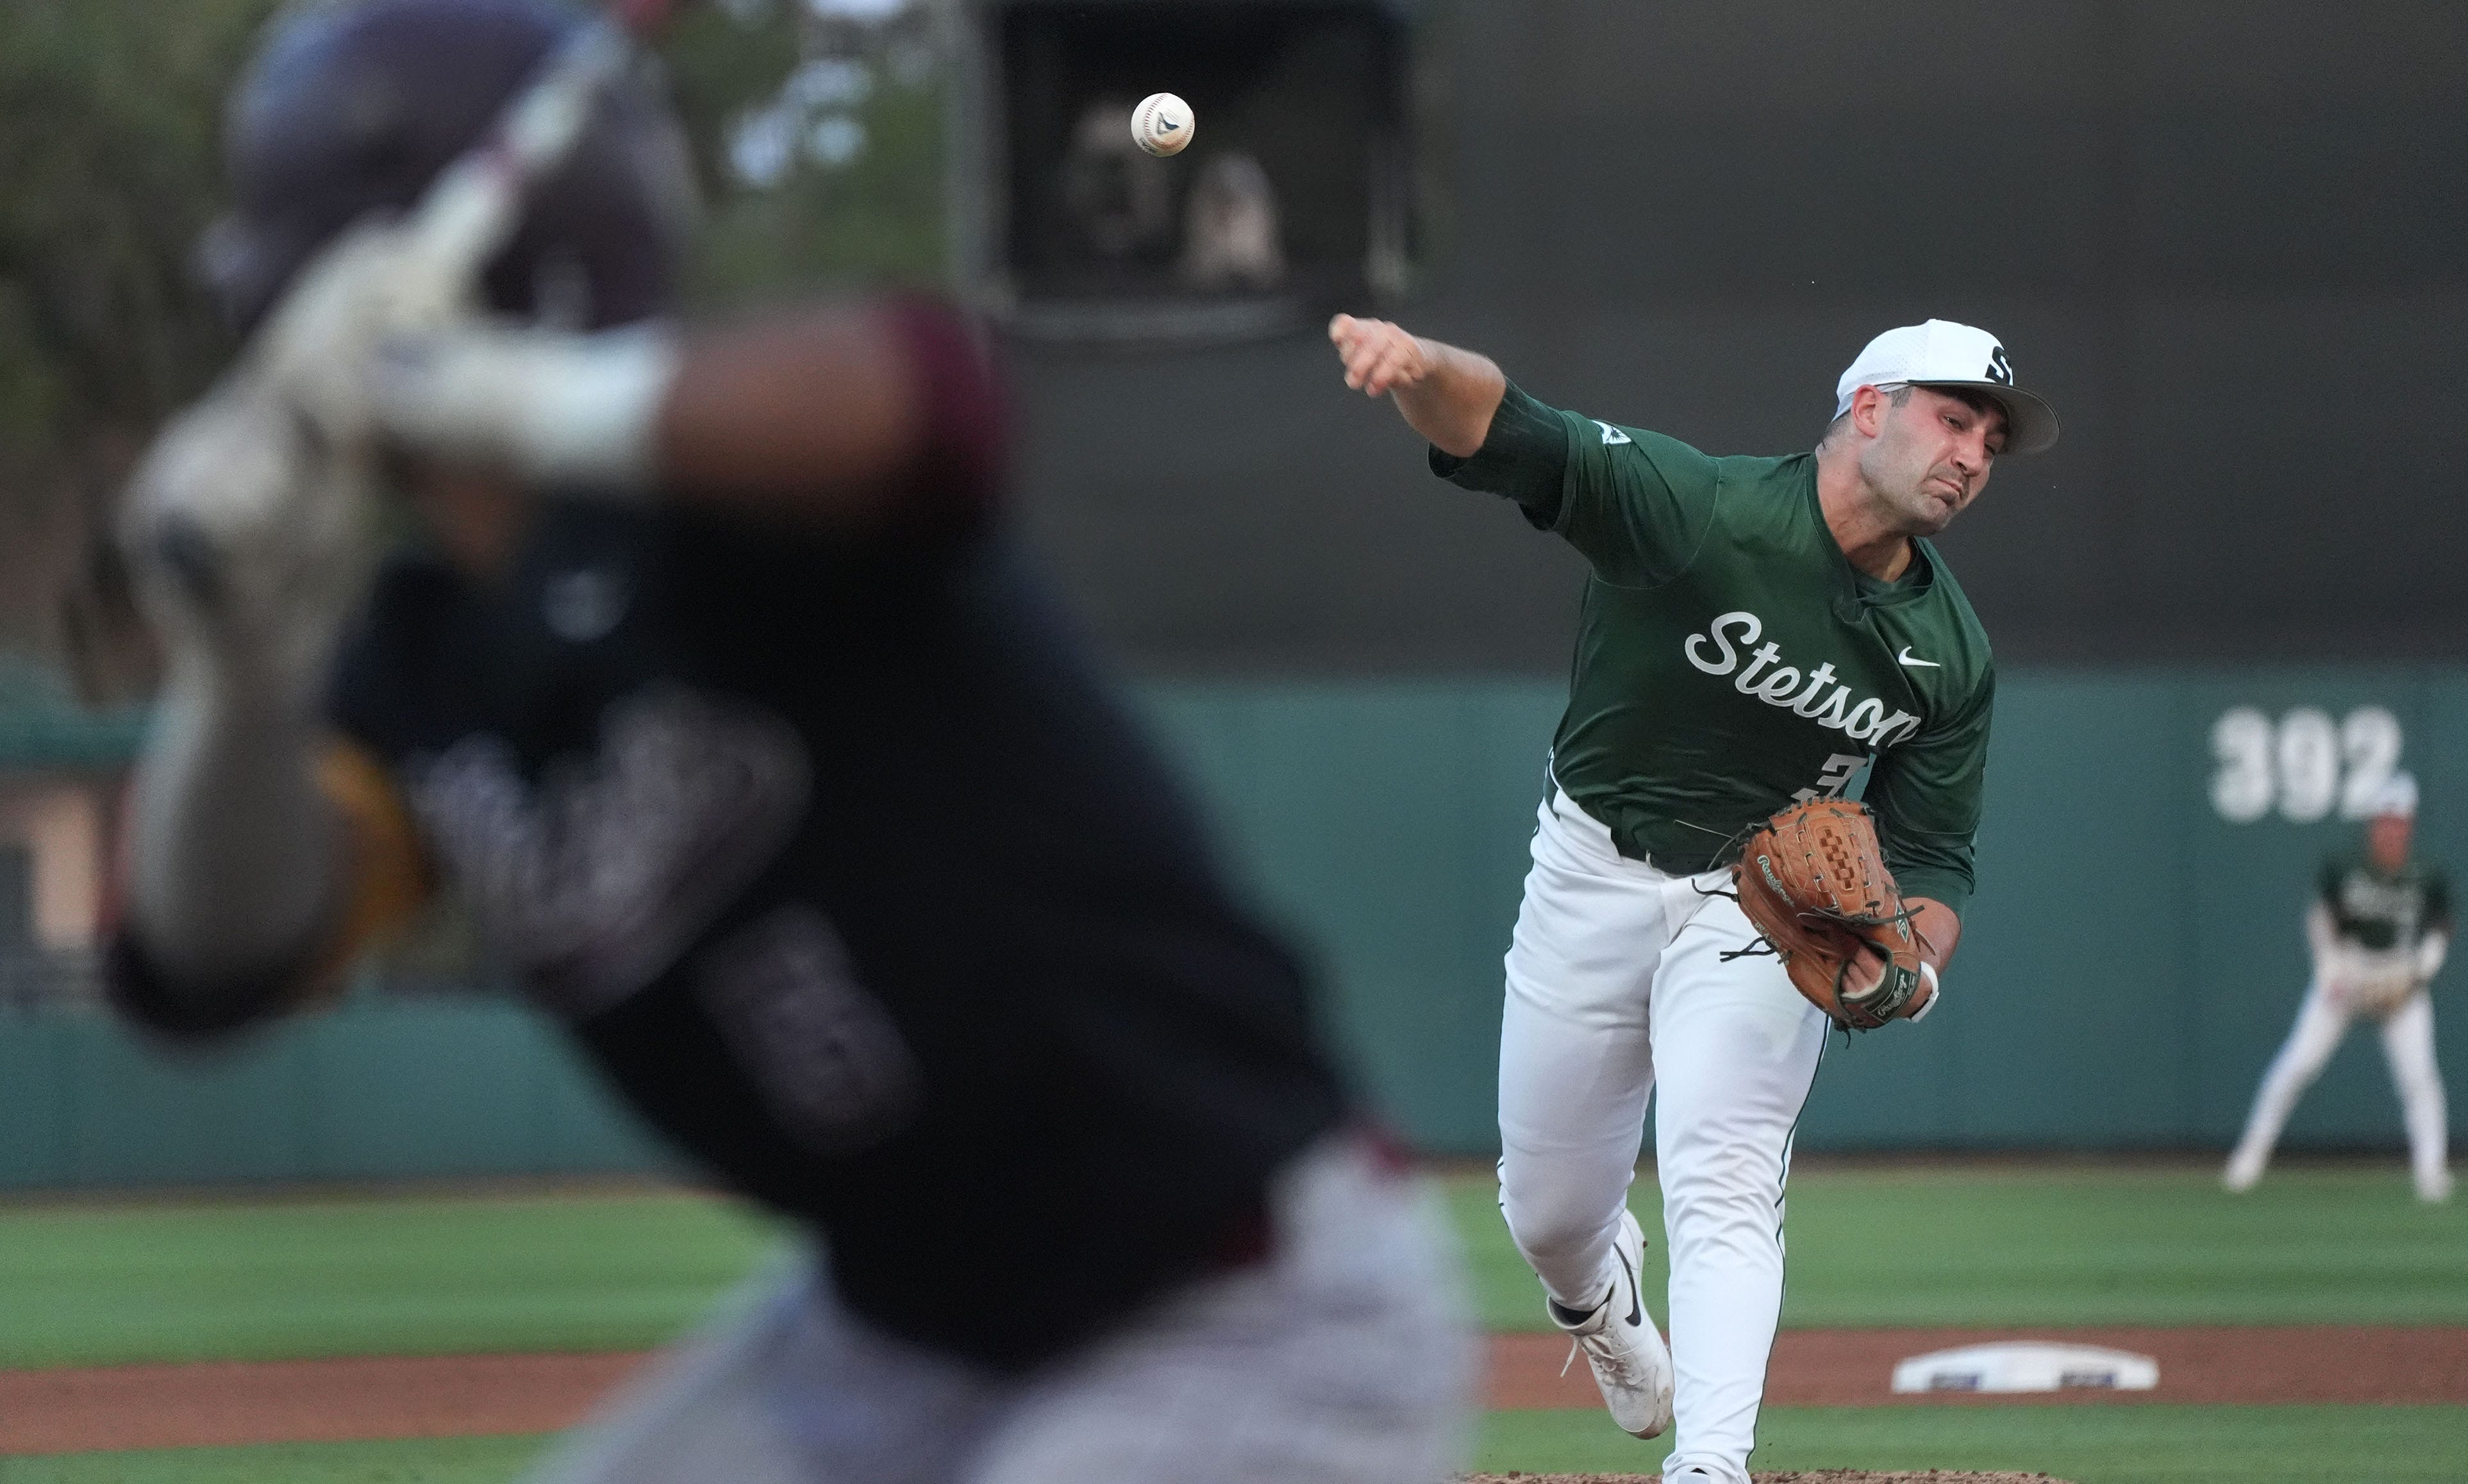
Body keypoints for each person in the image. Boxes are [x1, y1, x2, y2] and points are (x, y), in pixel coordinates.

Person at [104, 4, 1474, 1481]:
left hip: (1237, 1304)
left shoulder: (733, 495)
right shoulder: (425, 660)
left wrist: (471, 385)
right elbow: (204, 965)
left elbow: (937, 407)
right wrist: (238, 672)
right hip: (900, 1333)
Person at [1328, 312, 2056, 1483]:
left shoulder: (1950, 654)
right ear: (1868, 408)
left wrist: (1909, 971)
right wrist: (1419, 368)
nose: (1973, 451)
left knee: (1723, 1165)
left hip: (1760, 905)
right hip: (1590, 869)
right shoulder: (1699, 509)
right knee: (1551, 1213)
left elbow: (1931, 862)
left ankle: (1712, 1465)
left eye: (1990, 437)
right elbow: (1511, 430)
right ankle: (1598, 1303)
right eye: (1953, 415)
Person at [2224, 774, 2453, 1203]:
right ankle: (2249, 1157)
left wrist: (2424, 968)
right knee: (2297, 1066)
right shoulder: (2345, 865)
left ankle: (2431, 1172)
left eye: (2399, 820)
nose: (2391, 828)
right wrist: (2329, 967)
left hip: (2399, 980)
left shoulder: (2425, 872)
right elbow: (2321, 917)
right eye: (2385, 820)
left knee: (2420, 1079)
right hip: (2350, 972)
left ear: (2409, 824)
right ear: (2373, 824)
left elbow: (2442, 922)